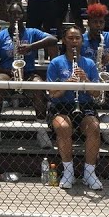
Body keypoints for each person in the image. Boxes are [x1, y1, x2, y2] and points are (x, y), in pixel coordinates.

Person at [45, 25, 104, 190]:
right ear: (64, 41)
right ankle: (68, 171)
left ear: (82, 41)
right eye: (70, 38)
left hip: (84, 105)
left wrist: (85, 81)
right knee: (63, 127)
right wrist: (67, 84)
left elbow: (97, 93)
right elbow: (52, 93)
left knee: (94, 126)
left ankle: (89, 173)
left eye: (77, 38)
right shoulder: (56, 63)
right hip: (60, 106)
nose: (74, 41)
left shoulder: (89, 63)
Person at [0, 1, 56, 129]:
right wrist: (8, 72)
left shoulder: (32, 32)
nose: (16, 16)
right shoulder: (0, 36)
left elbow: (53, 39)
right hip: (7, 72)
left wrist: (31, 46)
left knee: (39, 86)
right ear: (8, 16)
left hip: (28, 72)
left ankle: (41, 127)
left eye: (19, 13)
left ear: (23, 15)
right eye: (12, 14)